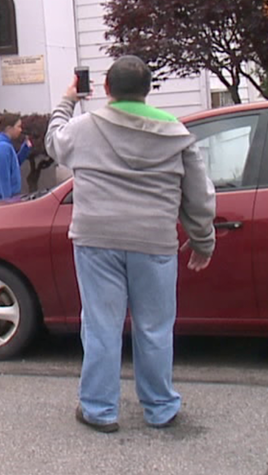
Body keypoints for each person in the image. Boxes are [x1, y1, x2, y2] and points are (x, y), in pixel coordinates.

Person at [46, 56, 216, 433]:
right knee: (155, 326)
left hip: (96, 239)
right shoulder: (175, 132)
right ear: (148, 90)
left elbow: (54, 143)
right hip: (154, 240)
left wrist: (67, 99)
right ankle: (160, 407)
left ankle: (99, 409)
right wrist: (202, 240)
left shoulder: (84, 128)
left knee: (102, 325)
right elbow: (198, 196)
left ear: (106, 89)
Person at [0, 113, 31, 201]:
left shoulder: (6, 145)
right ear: (9, 129)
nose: (20, 130)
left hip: (7, 195)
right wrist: (7, 202)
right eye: (18, 127)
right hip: (1, 196)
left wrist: (25, 149)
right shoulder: (2, 147)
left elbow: (13, 166)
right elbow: (4, 177)